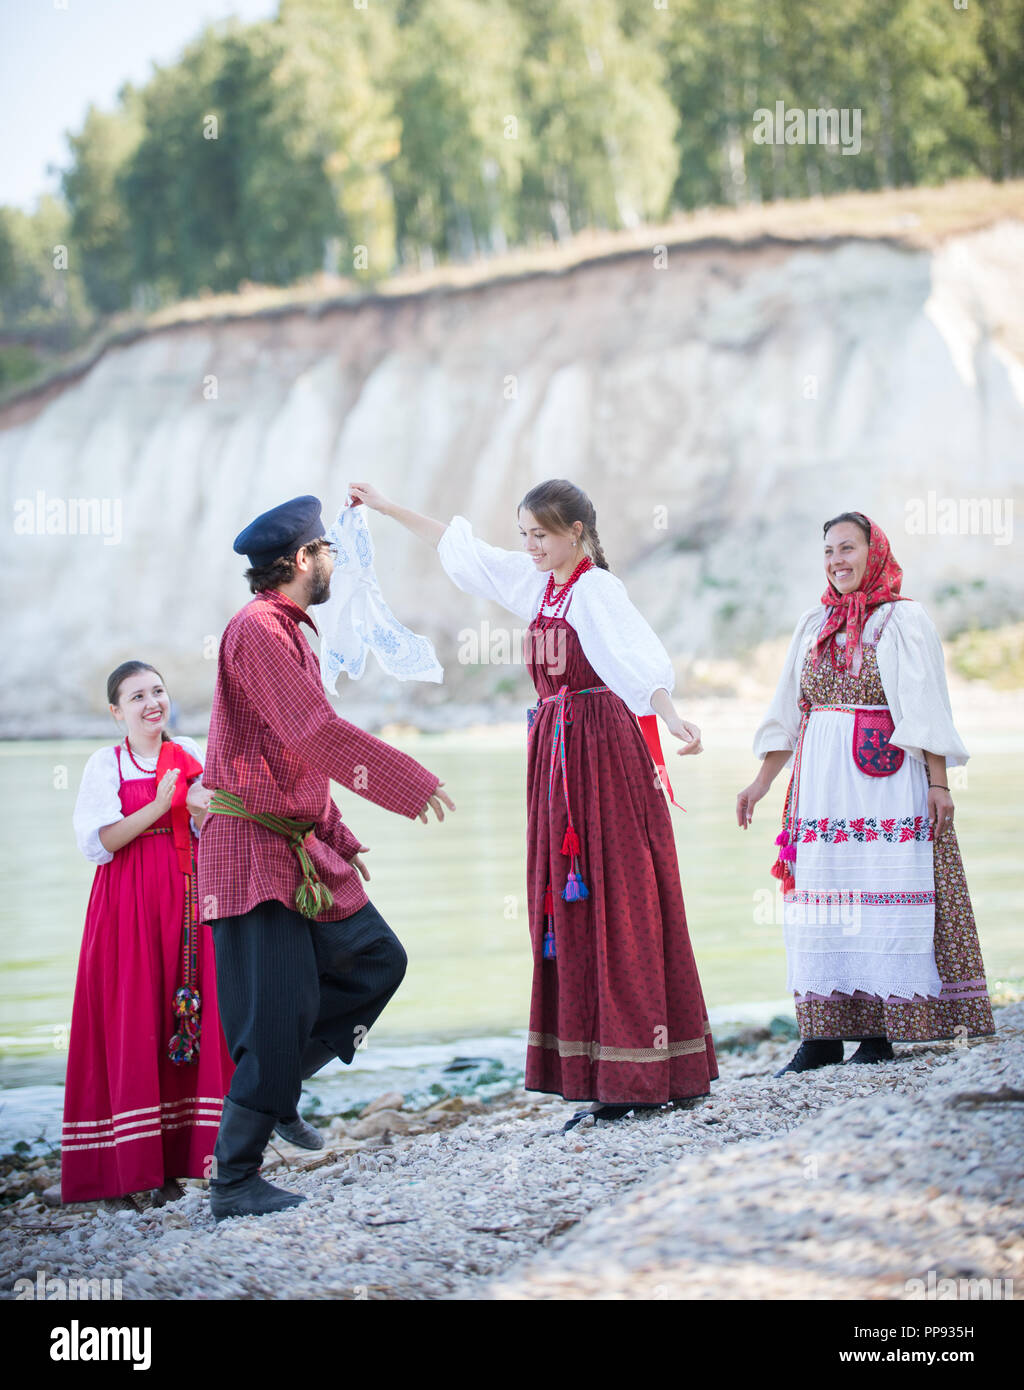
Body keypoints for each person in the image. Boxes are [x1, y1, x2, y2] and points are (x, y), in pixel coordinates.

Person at [350, 477, 718, 1132]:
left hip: (604, 754)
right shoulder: (537, 585)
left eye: (540, 534)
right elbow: (463, 550)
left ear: (577, 532)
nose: (530, 547)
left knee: (620, 900)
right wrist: (385, 508)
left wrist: (674, 715)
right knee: (570, 908)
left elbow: (639, 661)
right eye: (524, 535)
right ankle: (600, 1071)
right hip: (557, 756)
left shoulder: (598, 590)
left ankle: (645, 1068)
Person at [200, 494, 454, 1221]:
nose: (335, 560)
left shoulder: (285, 630)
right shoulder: (259, 631)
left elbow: (293, 750)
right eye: (328, 550)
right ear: (301, 559)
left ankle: (278, 1088)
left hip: (291, 846)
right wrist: (408, 780)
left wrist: (338, 836)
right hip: (251, 854)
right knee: (275, 1012)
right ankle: (235, 1179)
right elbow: (314, 731)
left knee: (377, 959)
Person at [737, 511, 995, 1074]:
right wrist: (761, 783)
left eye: (847, 548)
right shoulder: (814, 623)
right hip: (823, 787)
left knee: (878, 891)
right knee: (822, 902)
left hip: (884, 784)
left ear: (873, 552)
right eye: (828, 551)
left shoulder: (903, 620)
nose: (837, 561)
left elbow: (926, 709)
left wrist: (940, 783)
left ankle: (878, 1033)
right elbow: (788, 710)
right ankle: (821, 1038)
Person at [63, 662, 234, 1208]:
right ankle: (126, 1172)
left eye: (157, 691)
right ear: (117, 712)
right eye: (136, 697)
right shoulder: (106, 763)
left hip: (186, 904)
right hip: (127, 908)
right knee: (130, 1018)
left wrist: (206, 808)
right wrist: (162, 806)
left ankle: (185, 1161)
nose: (150, 703)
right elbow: (100, 843)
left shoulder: (186, 752)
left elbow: (212, 819)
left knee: (183, 1019)